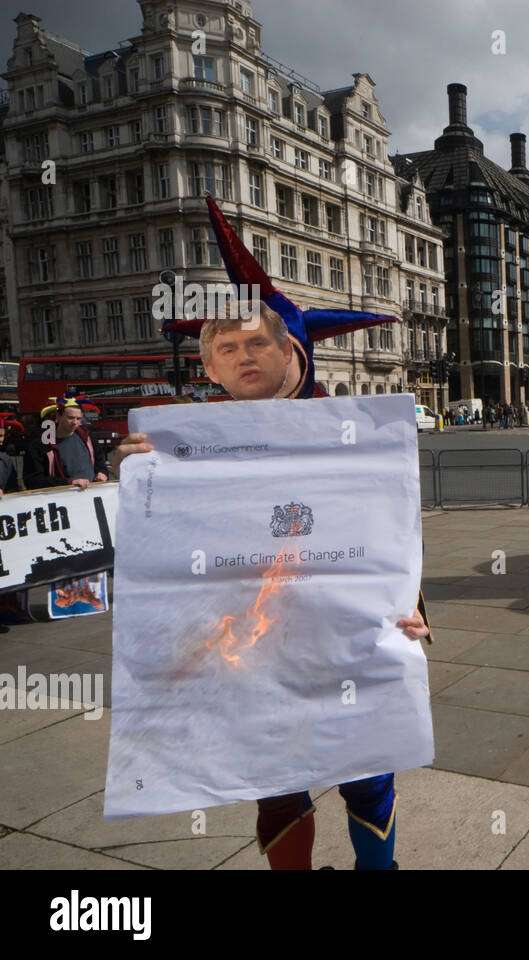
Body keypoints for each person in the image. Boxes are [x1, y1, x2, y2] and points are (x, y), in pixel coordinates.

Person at [109, 303, 430, 871]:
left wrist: (410, 608)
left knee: (369, 772)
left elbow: (390, 532)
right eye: (227, 350)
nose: (243, 357)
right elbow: (165, 554)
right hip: (252, 646)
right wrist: (133, 478)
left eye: (256, 344)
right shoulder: (177, 444)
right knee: (275, 782)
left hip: (343, 638)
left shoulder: (353, 428)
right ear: (210, 368)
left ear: (289, 351)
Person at [25, 401, 109, 490]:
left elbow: (100, 463)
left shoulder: (88, 438)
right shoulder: (40, 445)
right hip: (60, 499)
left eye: (79, 418)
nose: (75, 422)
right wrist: (68, 483)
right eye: (70, 418)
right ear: (58, 416)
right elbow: (33, 480)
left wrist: (102, 473)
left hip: (91, 495)